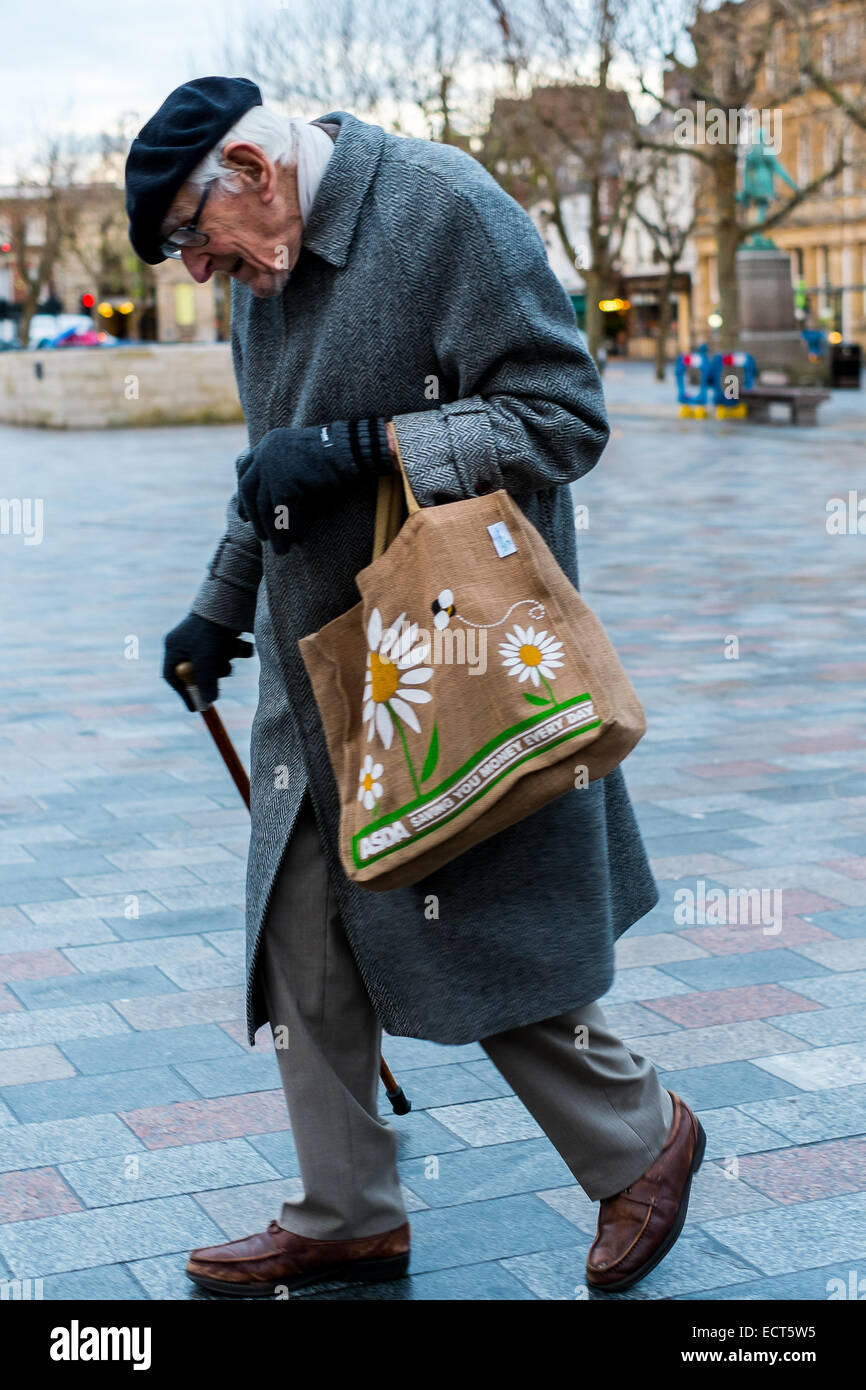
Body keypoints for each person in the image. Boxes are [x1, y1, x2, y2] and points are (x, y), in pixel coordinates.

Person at [124, 75, 705, 1299]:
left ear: (254, 168)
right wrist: (217, 607)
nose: (193, 269)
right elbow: (273, 475)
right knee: (299, 947)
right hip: (315, 673)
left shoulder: (444, 207)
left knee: (470, 936)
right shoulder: (262, 271)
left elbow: (562, 415)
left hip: (443, 662)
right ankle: (344, 1212)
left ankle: (640, 1141)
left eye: (190, 234)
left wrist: (370, 446)